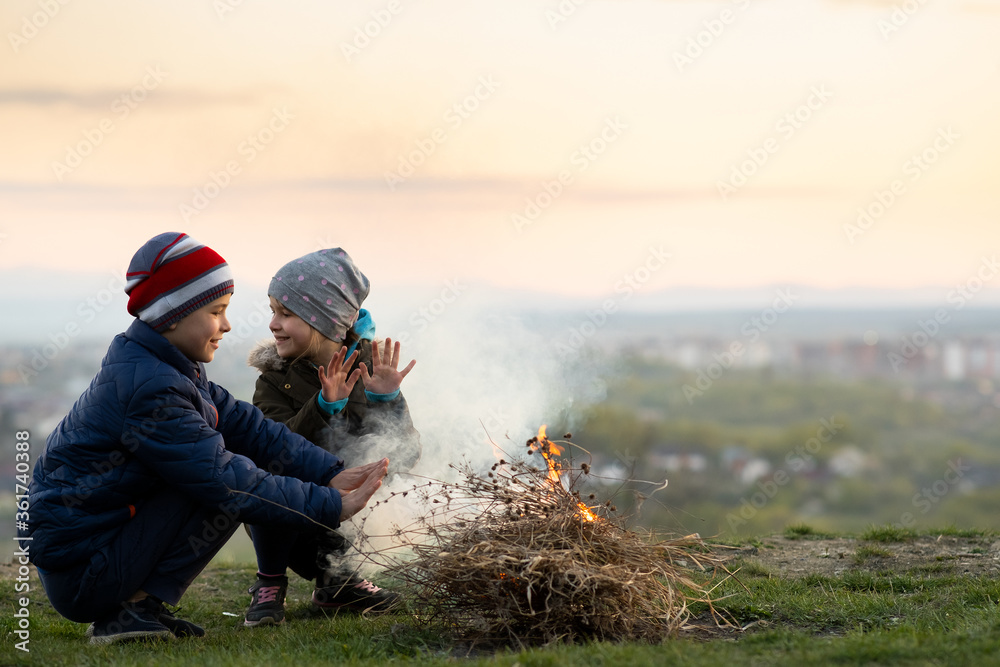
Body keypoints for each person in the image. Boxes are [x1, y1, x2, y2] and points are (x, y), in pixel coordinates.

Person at [23, 232, 387, 645]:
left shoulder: (170, 369)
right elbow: (225, 479)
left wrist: (330, 472)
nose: (227, 325)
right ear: (173, 315)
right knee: (222, 481)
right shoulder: (151, 388)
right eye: (217, 311)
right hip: (84, 574)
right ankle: (126, 614)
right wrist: (329, 505)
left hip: (95, 555)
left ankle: (141, 608)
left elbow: (252, 428)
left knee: (231, 459)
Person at [242, 247, 421, 626]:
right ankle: (269, 581)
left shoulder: (370, 370)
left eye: (286, 313)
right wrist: (323, 407)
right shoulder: (273, 381)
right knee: (262, 476)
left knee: (367, 484)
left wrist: (388, 399)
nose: (273, 323)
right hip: (288, 516)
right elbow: (272, 449)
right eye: (272, 311)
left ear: (325, 321)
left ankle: (337, 583)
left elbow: (404, 456)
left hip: (350, 520)